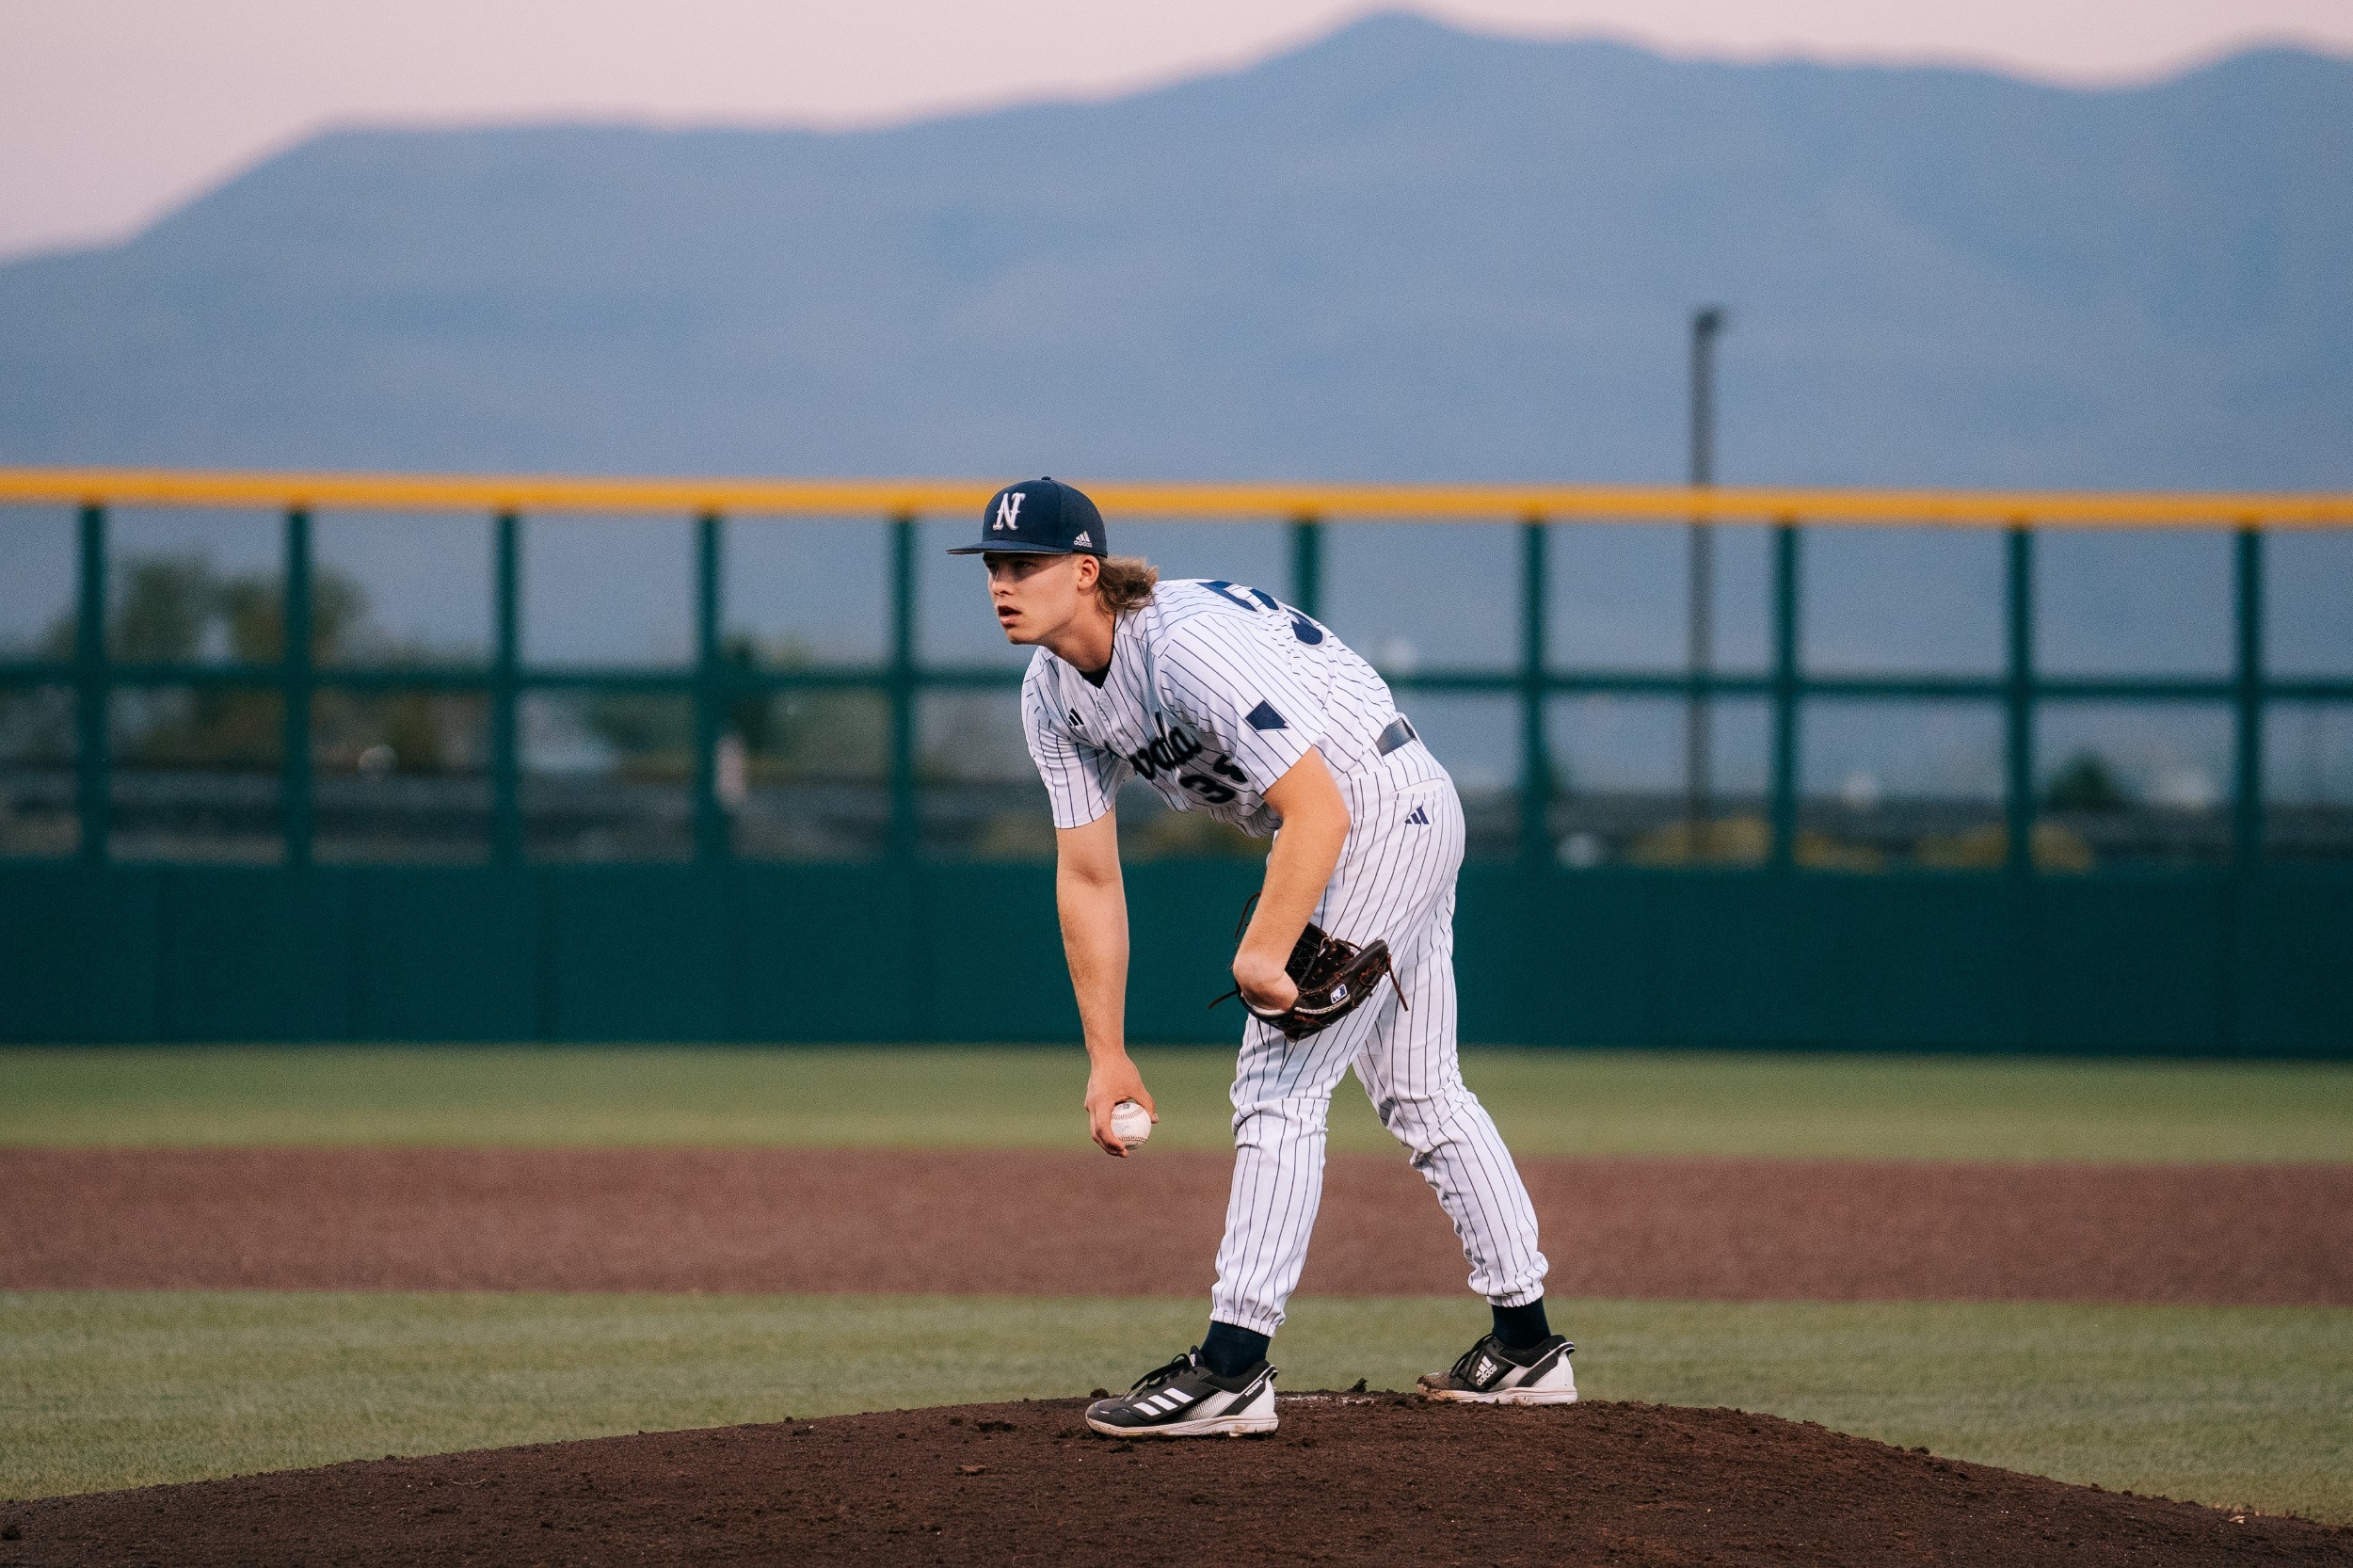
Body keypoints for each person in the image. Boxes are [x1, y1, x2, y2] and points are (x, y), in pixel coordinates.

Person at [950, 476, 1574, 1438]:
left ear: (1085, 570)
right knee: (1421, 1090)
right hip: (1372, 817)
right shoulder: (1051, 699)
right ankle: (1525, 1346)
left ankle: (1233, 1365)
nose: (1002, 581)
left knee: (1277, 1080)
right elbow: (1088, 878)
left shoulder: (1181, 644)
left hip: (1378, 808)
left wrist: (1265, 948)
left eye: (1024, 563)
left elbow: (1319, 809)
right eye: (994, 565)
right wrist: (1106, 1052)